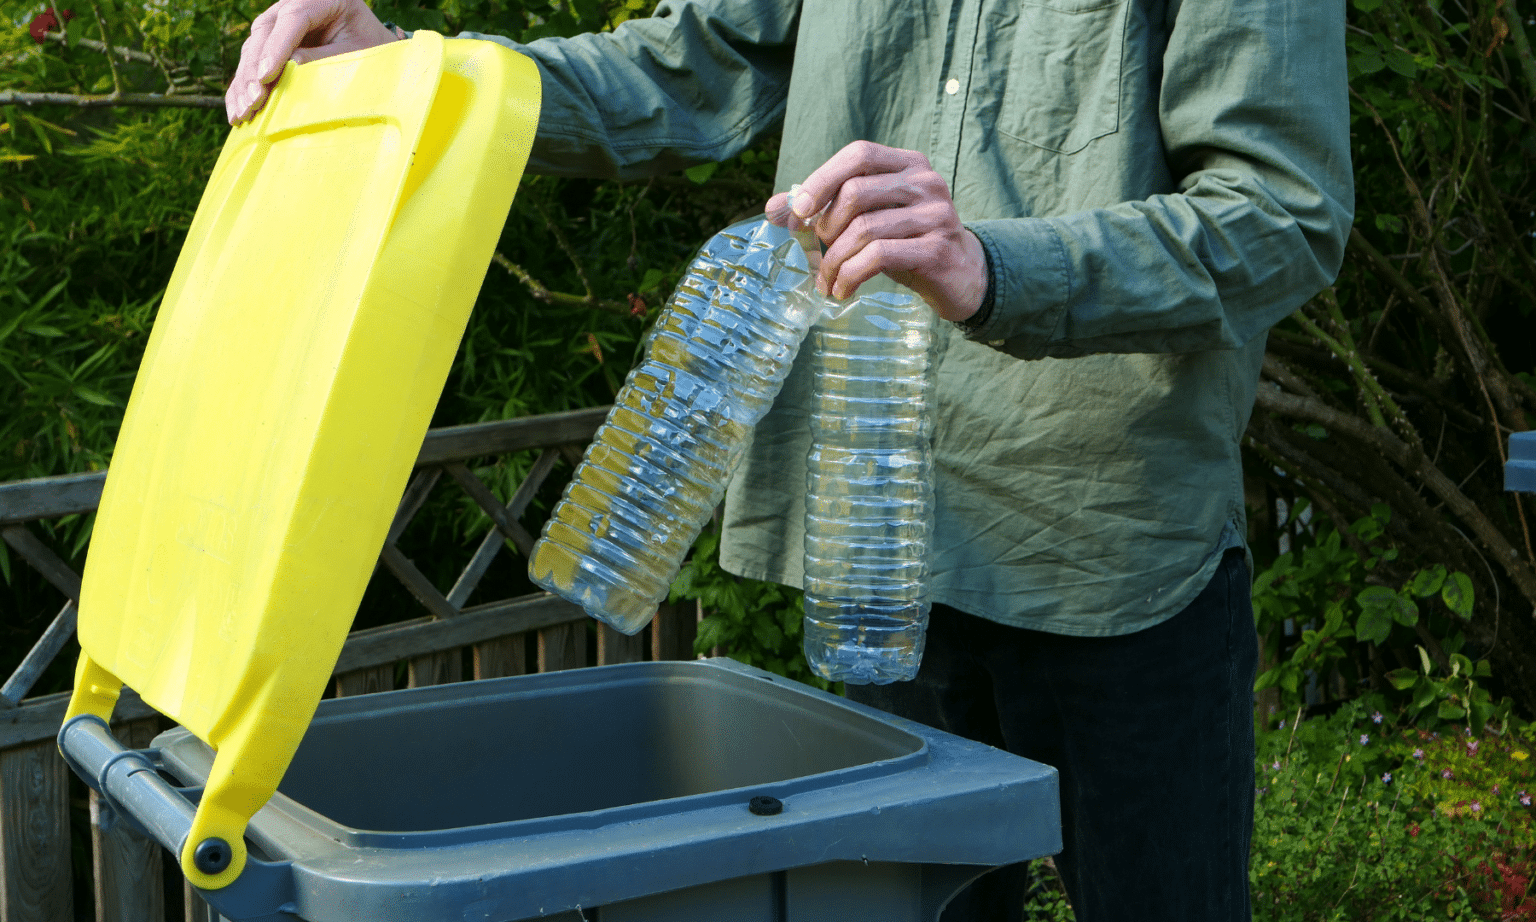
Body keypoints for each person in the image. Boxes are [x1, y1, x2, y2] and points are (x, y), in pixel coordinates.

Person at [228, 2, 1353, 918]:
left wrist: (996, 266)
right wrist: (420, 71)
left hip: (1111, 547)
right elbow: (690, 68)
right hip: (879, 555)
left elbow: (1281, 213)